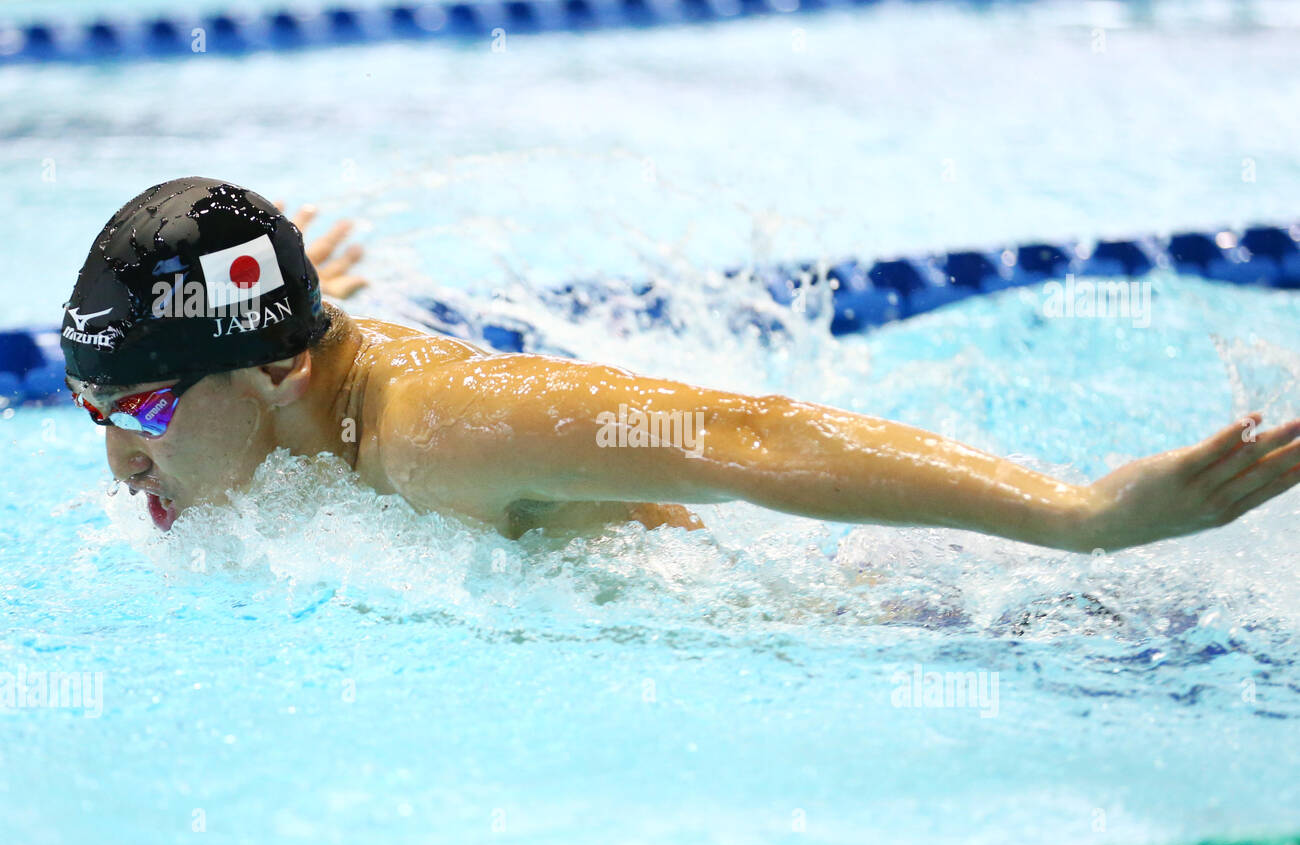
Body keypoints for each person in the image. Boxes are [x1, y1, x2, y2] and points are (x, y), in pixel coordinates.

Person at [61, 177, 1300, 547]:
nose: (123, 459)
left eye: (148, 405)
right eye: (92, 408)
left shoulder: (437, 432)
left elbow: (745, 436)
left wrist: (1079, 512)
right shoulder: (286, 397)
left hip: (873, 624)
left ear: (278, 370)